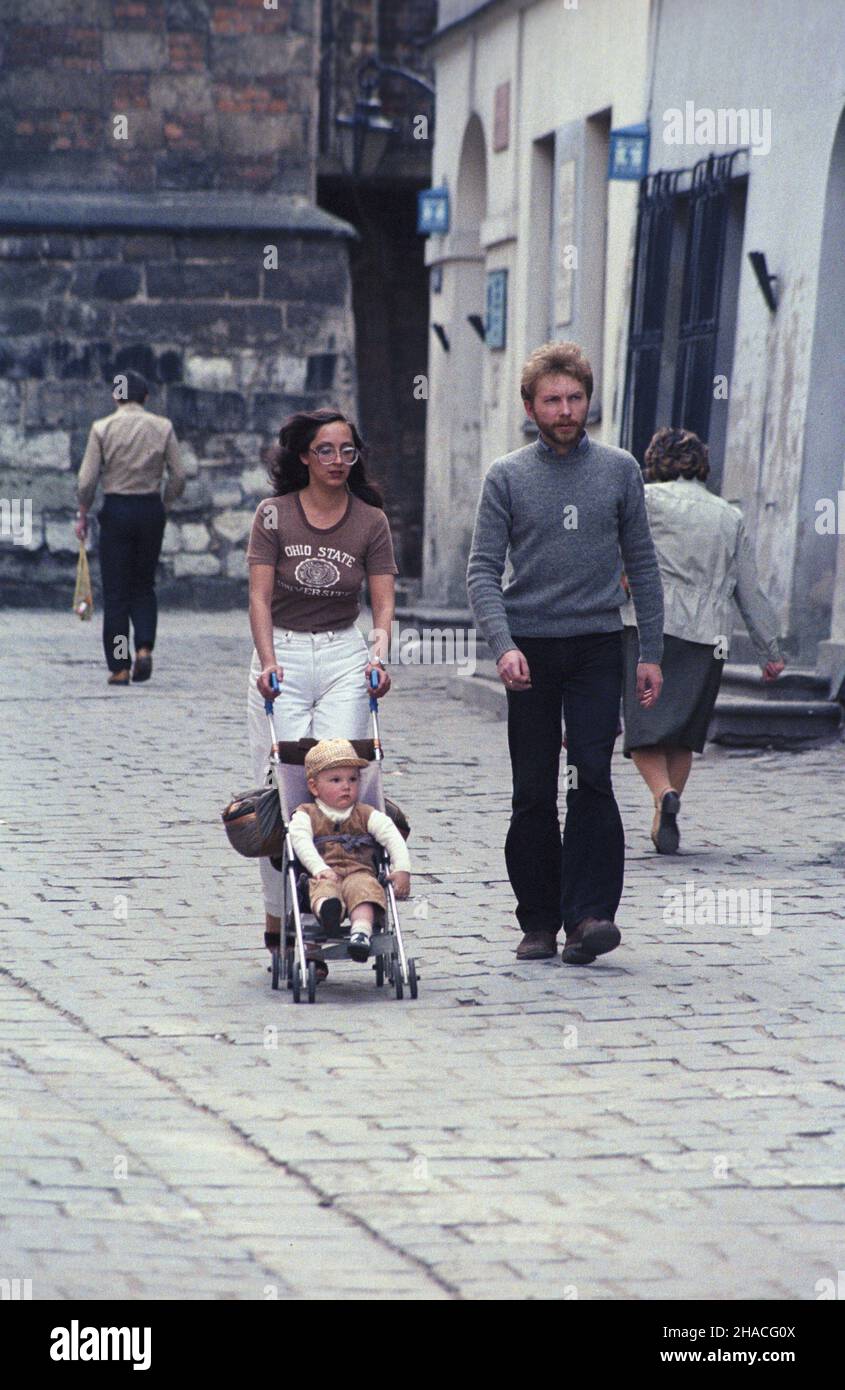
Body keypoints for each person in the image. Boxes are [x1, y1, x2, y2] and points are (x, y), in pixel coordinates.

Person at [467, 341, 665, 967]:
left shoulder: (619, 470)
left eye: (575, 398)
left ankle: (589, 916)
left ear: (588, 401)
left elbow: (643, 564)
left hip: (598, 647)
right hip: (529, 648)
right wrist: (502, 647)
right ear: (530, 406)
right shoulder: (506, 476)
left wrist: (650, 651)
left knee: (593, 778)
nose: (565, 410)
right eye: (552, 399)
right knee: (532, 790)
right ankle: (539, 921)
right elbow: (481, 572)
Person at [246, 409, 397, 976]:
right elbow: (259, 597)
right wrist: (267, 662)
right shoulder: (273, 516)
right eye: (326, 450)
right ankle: (278, 920)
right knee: (286, 791)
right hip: (281, 650)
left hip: (341, 652)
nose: (337, 461)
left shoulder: (370, 521)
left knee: (340, 781)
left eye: (347, 451)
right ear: (304, 457)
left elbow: (382, 602)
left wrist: (378, 653)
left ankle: (347, 900)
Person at [621, 426, 785, 853]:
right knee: (683, 731)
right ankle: (665, 814)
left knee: (644, 727)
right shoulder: (728, 516)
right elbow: (748, 587)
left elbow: (620, 556)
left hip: (647, 624)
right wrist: (770, 649)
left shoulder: (647, 500)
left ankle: (661, 797)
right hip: (707, 635)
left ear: (655, 461)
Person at [75, 370, 185, 685]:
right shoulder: (162, 427)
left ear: (115, 396)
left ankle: (120, 665)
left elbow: (86, 481)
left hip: (117, 511)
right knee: (143, 584)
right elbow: (178, 475)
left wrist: (83, 512)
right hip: (150, 509)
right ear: (146, 397)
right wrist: (164, 502)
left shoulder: (102, 428)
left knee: (117, 591)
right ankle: (144, 649)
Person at [288, 738, 411, 961]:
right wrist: (318, 867)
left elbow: (392, 836)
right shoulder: (306, 814)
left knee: (365, 890)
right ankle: (329, 913)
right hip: (324, 874)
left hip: (359, 871)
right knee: (322, 891)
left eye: (353, 779)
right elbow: (301, 841)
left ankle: (360, 935)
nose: (347, 786)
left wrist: (402, 868)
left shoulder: (366, 813)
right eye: (336, 780)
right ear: (314, 787)